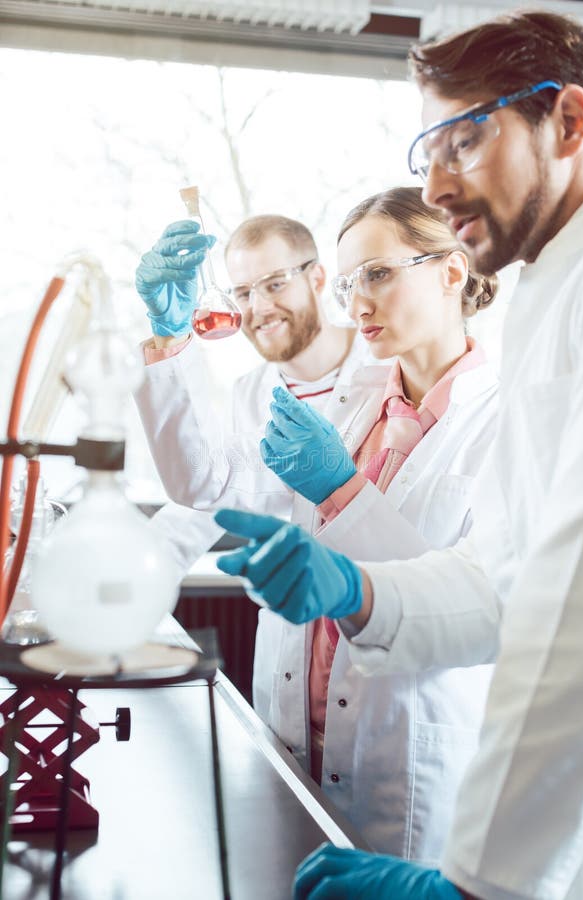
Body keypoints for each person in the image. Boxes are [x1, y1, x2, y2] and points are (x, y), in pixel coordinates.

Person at [214, 10, 583, 899]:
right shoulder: (554, 286)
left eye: (464, 140)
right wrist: (359, 589)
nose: (438, 184)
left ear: (570, 122)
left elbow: (574, 617)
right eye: (426, 152)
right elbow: (504, 578)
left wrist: (478, 885)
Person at [137, 190, 500, 860]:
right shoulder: (345, 403)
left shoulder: (507, 423)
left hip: (411, 767)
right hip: (294, 737)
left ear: (453, 271)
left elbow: (469, 609)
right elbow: (203, 482)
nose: (359, 302)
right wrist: (171, 339)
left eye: (381, 273)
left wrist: (342, 490)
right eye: (354, 280)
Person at [134, 214, 359, 576]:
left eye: (274, 284)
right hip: (290, 619)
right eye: (243, 292)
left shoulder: (385, 365)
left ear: (317, 278)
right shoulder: (250, 393)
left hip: (378, 607)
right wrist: (118, 578)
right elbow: (203, 506)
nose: (258, 307)